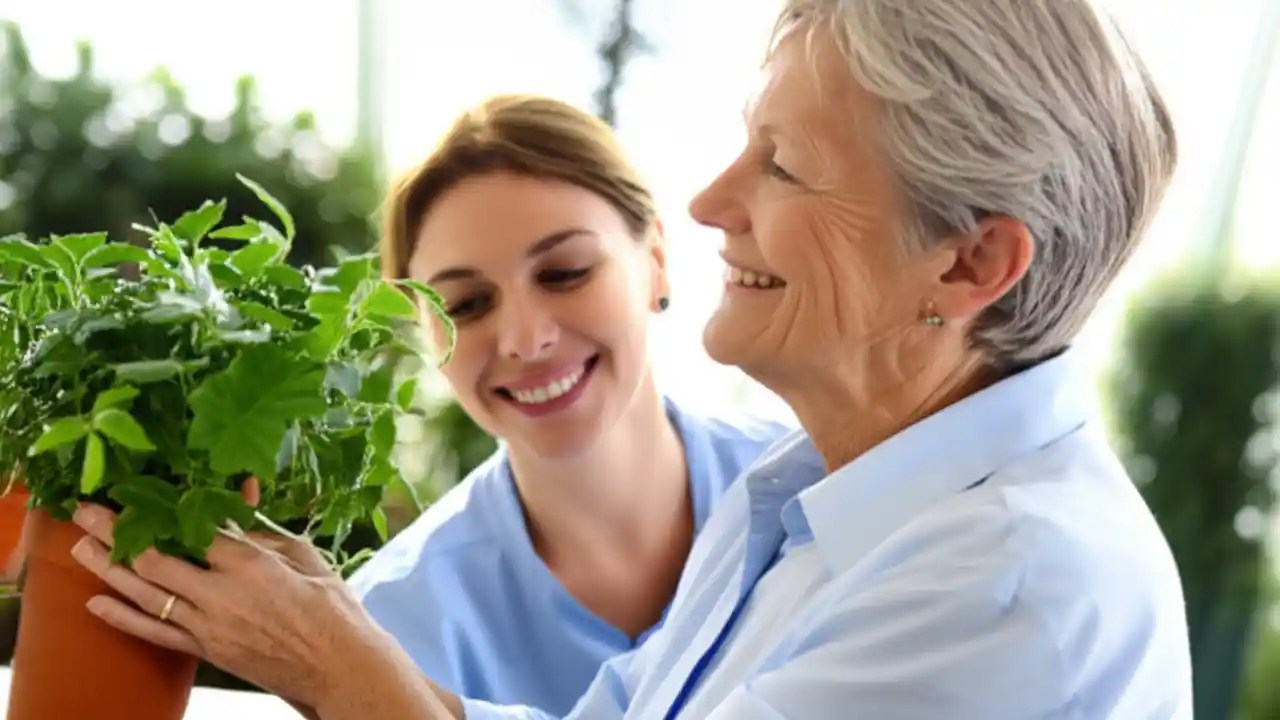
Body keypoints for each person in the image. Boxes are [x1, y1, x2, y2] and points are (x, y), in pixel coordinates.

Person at [68, 0, 1194, 718]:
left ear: (965, 267)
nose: (710, 202)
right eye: (462, 300)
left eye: (784, 165)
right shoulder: (802, 502)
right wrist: (346, 640)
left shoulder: (999, 588)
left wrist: (332, 672)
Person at [342, 94, 790, 714]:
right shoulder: (390, 623)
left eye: (565, 272)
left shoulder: (814, 494)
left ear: (656, 263)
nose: (526, 340)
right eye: (467, 306)